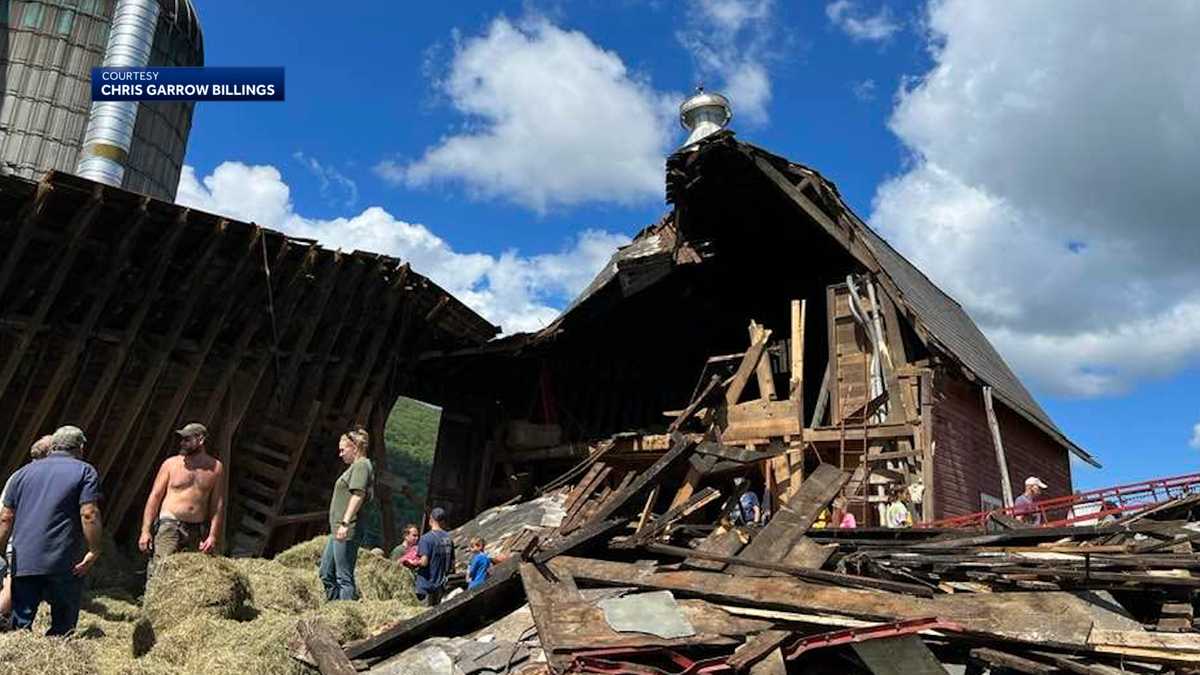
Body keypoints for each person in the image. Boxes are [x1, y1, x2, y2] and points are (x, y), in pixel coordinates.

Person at [0, 426, 102, 636]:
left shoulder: (21, 474)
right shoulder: (84, 471)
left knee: (20, 627)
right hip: (63, 560)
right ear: (80, 447)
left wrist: (1, 551)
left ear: (54, 446)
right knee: (61, 630)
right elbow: (89, 513)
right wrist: (94, 549)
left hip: (25, 560)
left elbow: (5, 517)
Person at [139, 422, 226, 580]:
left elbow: (217, 505)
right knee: (161, 570)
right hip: (169, 525)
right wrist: (145, 531)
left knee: (187, 577)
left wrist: (213, 535)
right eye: (182, 439)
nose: (182, 443)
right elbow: (155, 497)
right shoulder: (171, 464)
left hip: (195, 529)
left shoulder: (215, 468)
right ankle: (153, 603)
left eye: (187, 439)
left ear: (201, 439)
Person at [0, 435, 53, 629]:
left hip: (14, 540)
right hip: (21, 542)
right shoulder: (33, 477)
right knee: (14, 585)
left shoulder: (20, 474)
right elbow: (7, 515)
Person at [320, 428, 374, 601]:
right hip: (338, 529)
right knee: (326, 572)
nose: (340, 454)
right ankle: (334, 610)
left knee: (344, 577)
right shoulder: (355, 467)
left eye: (343, 450)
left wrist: (345, 523)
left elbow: (358, 495)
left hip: (346, 529)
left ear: (355, 448)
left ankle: (345, 615)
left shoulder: (361, 466)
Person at [414, 506, 454, 607]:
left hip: (426, 588)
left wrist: (412, 562)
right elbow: (452, 564)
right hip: (441, 586)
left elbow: (424, 562)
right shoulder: (448, 539)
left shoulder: (426, 539)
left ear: (431, 519)